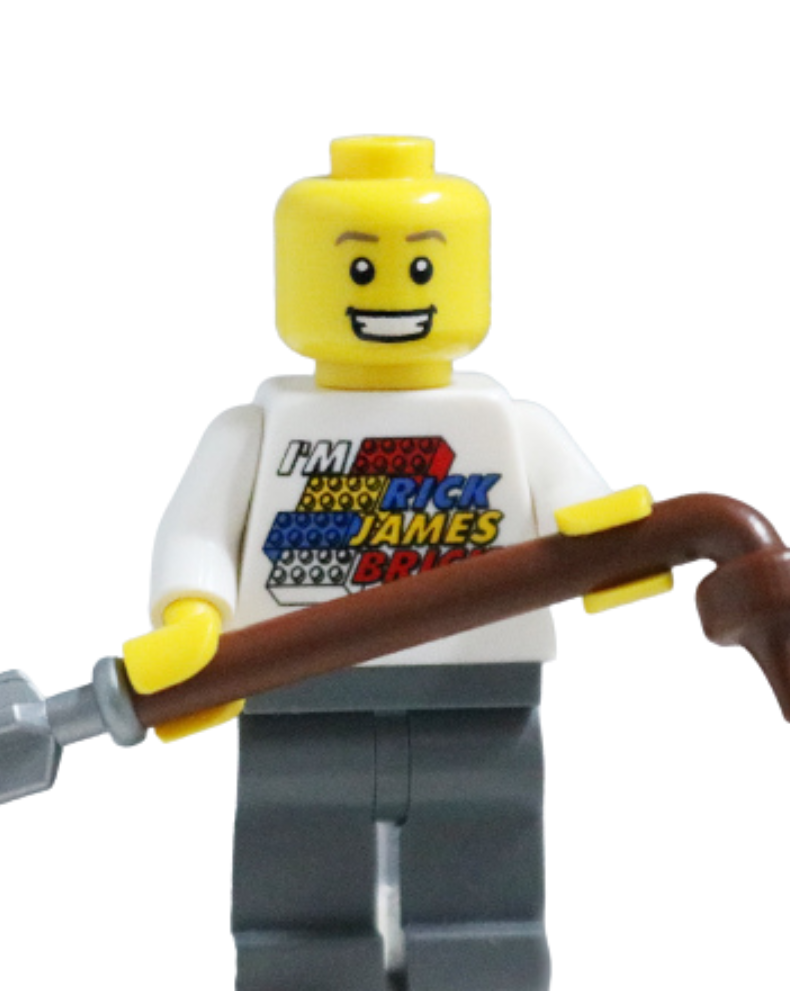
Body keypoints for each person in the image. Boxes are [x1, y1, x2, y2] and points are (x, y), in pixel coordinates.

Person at [122, 136, 668, 991]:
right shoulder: (257, 429)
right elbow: (195, 530)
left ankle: (483, 960)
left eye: (421, 270)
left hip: (481, 689)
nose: (391, 297)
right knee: (298, 858)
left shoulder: (508, 421)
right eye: (359, 270)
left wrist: (604, 538)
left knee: (482, 859)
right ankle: (302, 966)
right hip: (296, 687)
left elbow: (583, 507)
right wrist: (193, 611)